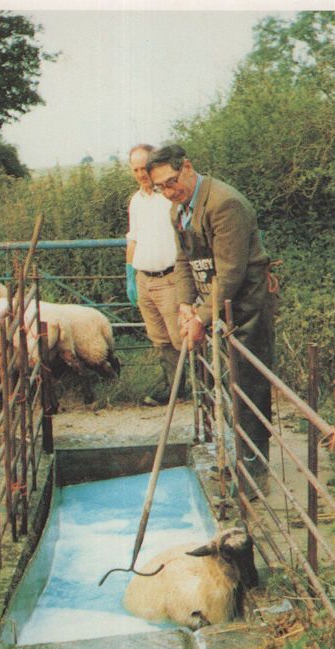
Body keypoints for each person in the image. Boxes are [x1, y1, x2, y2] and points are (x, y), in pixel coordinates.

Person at [146, 144, 276, 495]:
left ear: (187, 167)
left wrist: (202, 317)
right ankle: (237, 458)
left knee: (248, 383)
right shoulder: (178, 210)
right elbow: (184, 262)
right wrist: (186, 307)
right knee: (225, 382)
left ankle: (254, 472)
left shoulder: (224, 204)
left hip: (248, 303)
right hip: (216, 302)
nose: (170, 192)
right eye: (161, 188)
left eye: (173, 182)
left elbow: (232, 273)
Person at [124, 143, 184, 406]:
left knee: (180, 336)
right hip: (144, 279)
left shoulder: (168, 196)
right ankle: (173, 388)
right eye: (135, 169)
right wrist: (130, 275)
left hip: (169, 277)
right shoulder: (136, 201)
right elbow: (132, 239)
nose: (141, 174)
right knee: (159, 338)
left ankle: (203, 387)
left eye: (144, 167)